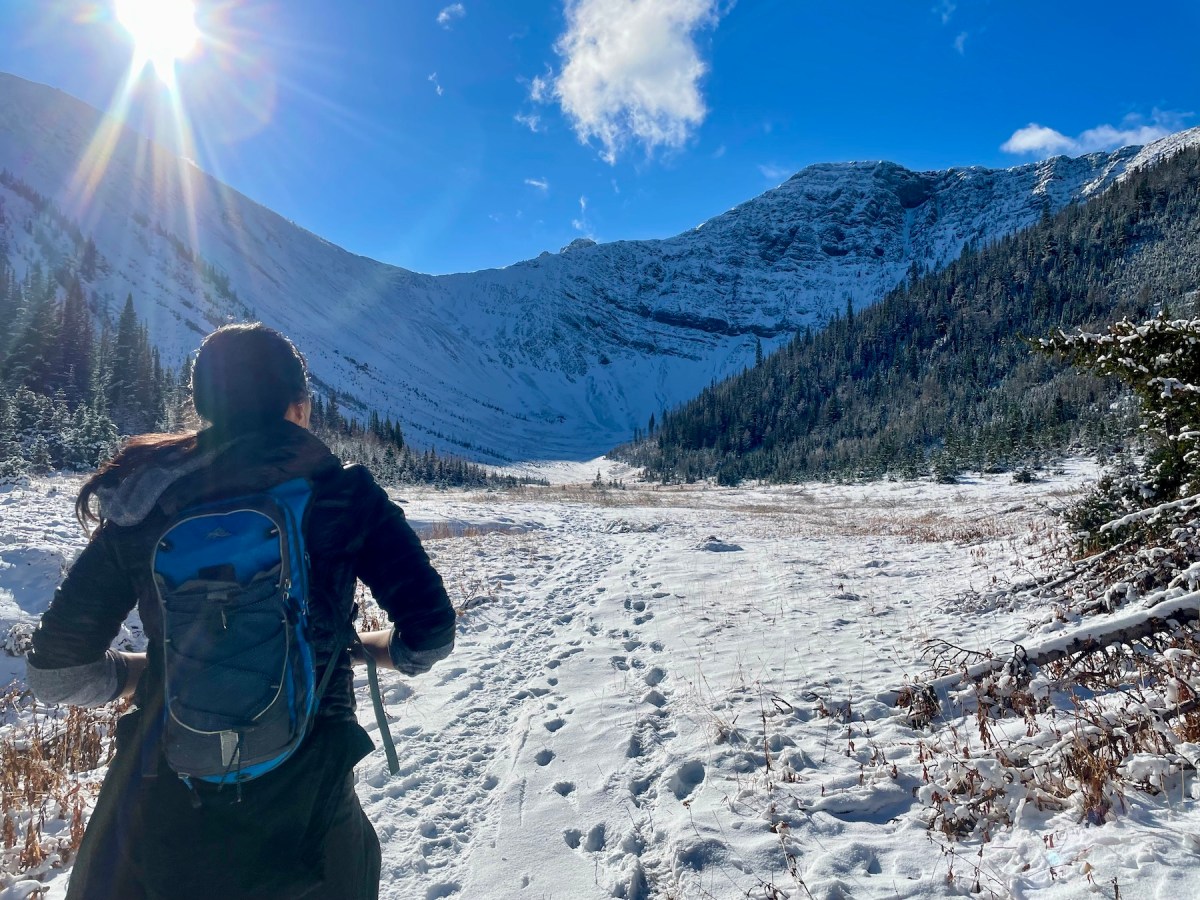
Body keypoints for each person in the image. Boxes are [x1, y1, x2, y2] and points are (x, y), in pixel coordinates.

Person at [25, 323, 456, 900]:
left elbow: (55, 675)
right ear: (298, 408)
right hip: (310, 813)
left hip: (164, 807)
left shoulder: (145, 502)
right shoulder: (343, 495)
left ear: (203, 407)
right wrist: (377, 649)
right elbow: (430, 634)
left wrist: (139, 671)